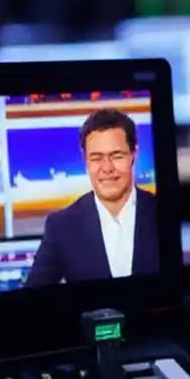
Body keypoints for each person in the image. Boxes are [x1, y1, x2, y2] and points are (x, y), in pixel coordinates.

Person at [25, 109, 159, 286]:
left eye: (116, 156)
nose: (107, 168)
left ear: (133, 156)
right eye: (96, 158)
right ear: (86, 161)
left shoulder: (163, 213)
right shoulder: (61, 226)